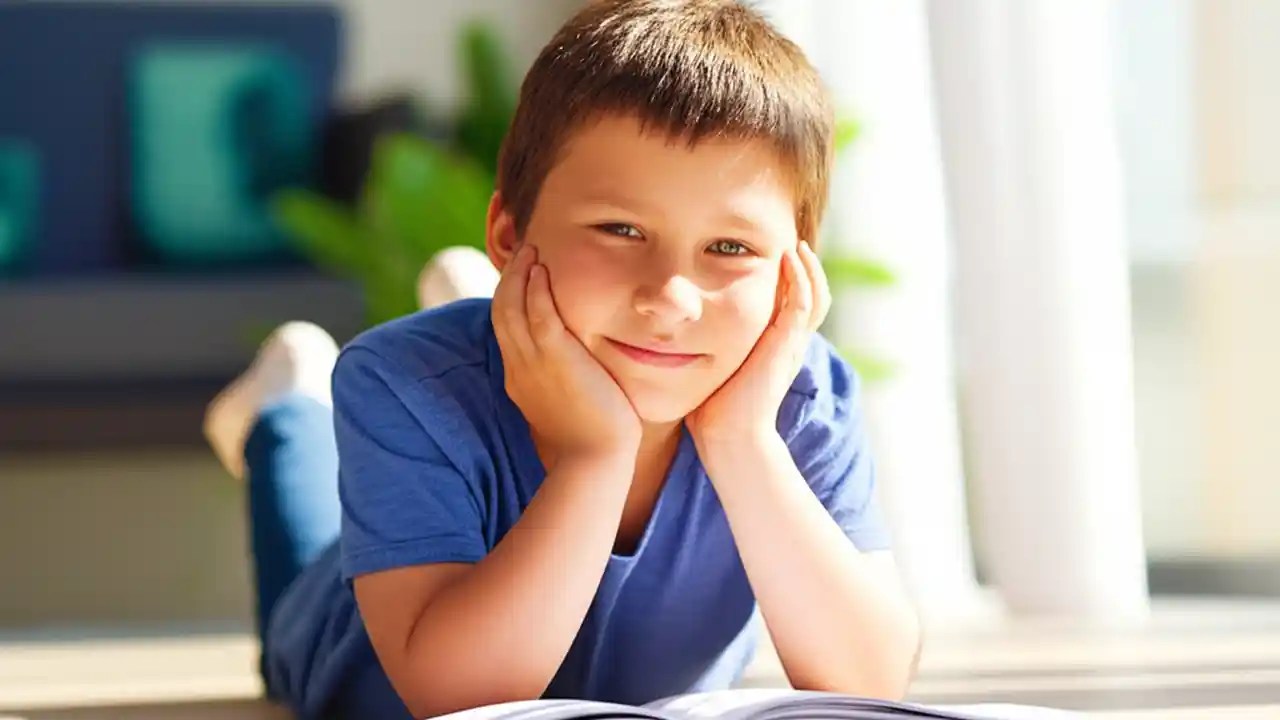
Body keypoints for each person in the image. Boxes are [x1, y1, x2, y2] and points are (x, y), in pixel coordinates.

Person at [203, 1, 921, 718]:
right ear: (509, 235)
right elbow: (459, 700)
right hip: (352, 635)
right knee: (298, 562)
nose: (671, 298)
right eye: (620, 229)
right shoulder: (402, 383)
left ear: (795, 273)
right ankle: (287, 403)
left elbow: (868, 683)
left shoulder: (799, 393)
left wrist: (743, 440)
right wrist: (596, 455)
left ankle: (495, 305)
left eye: (729, 248)